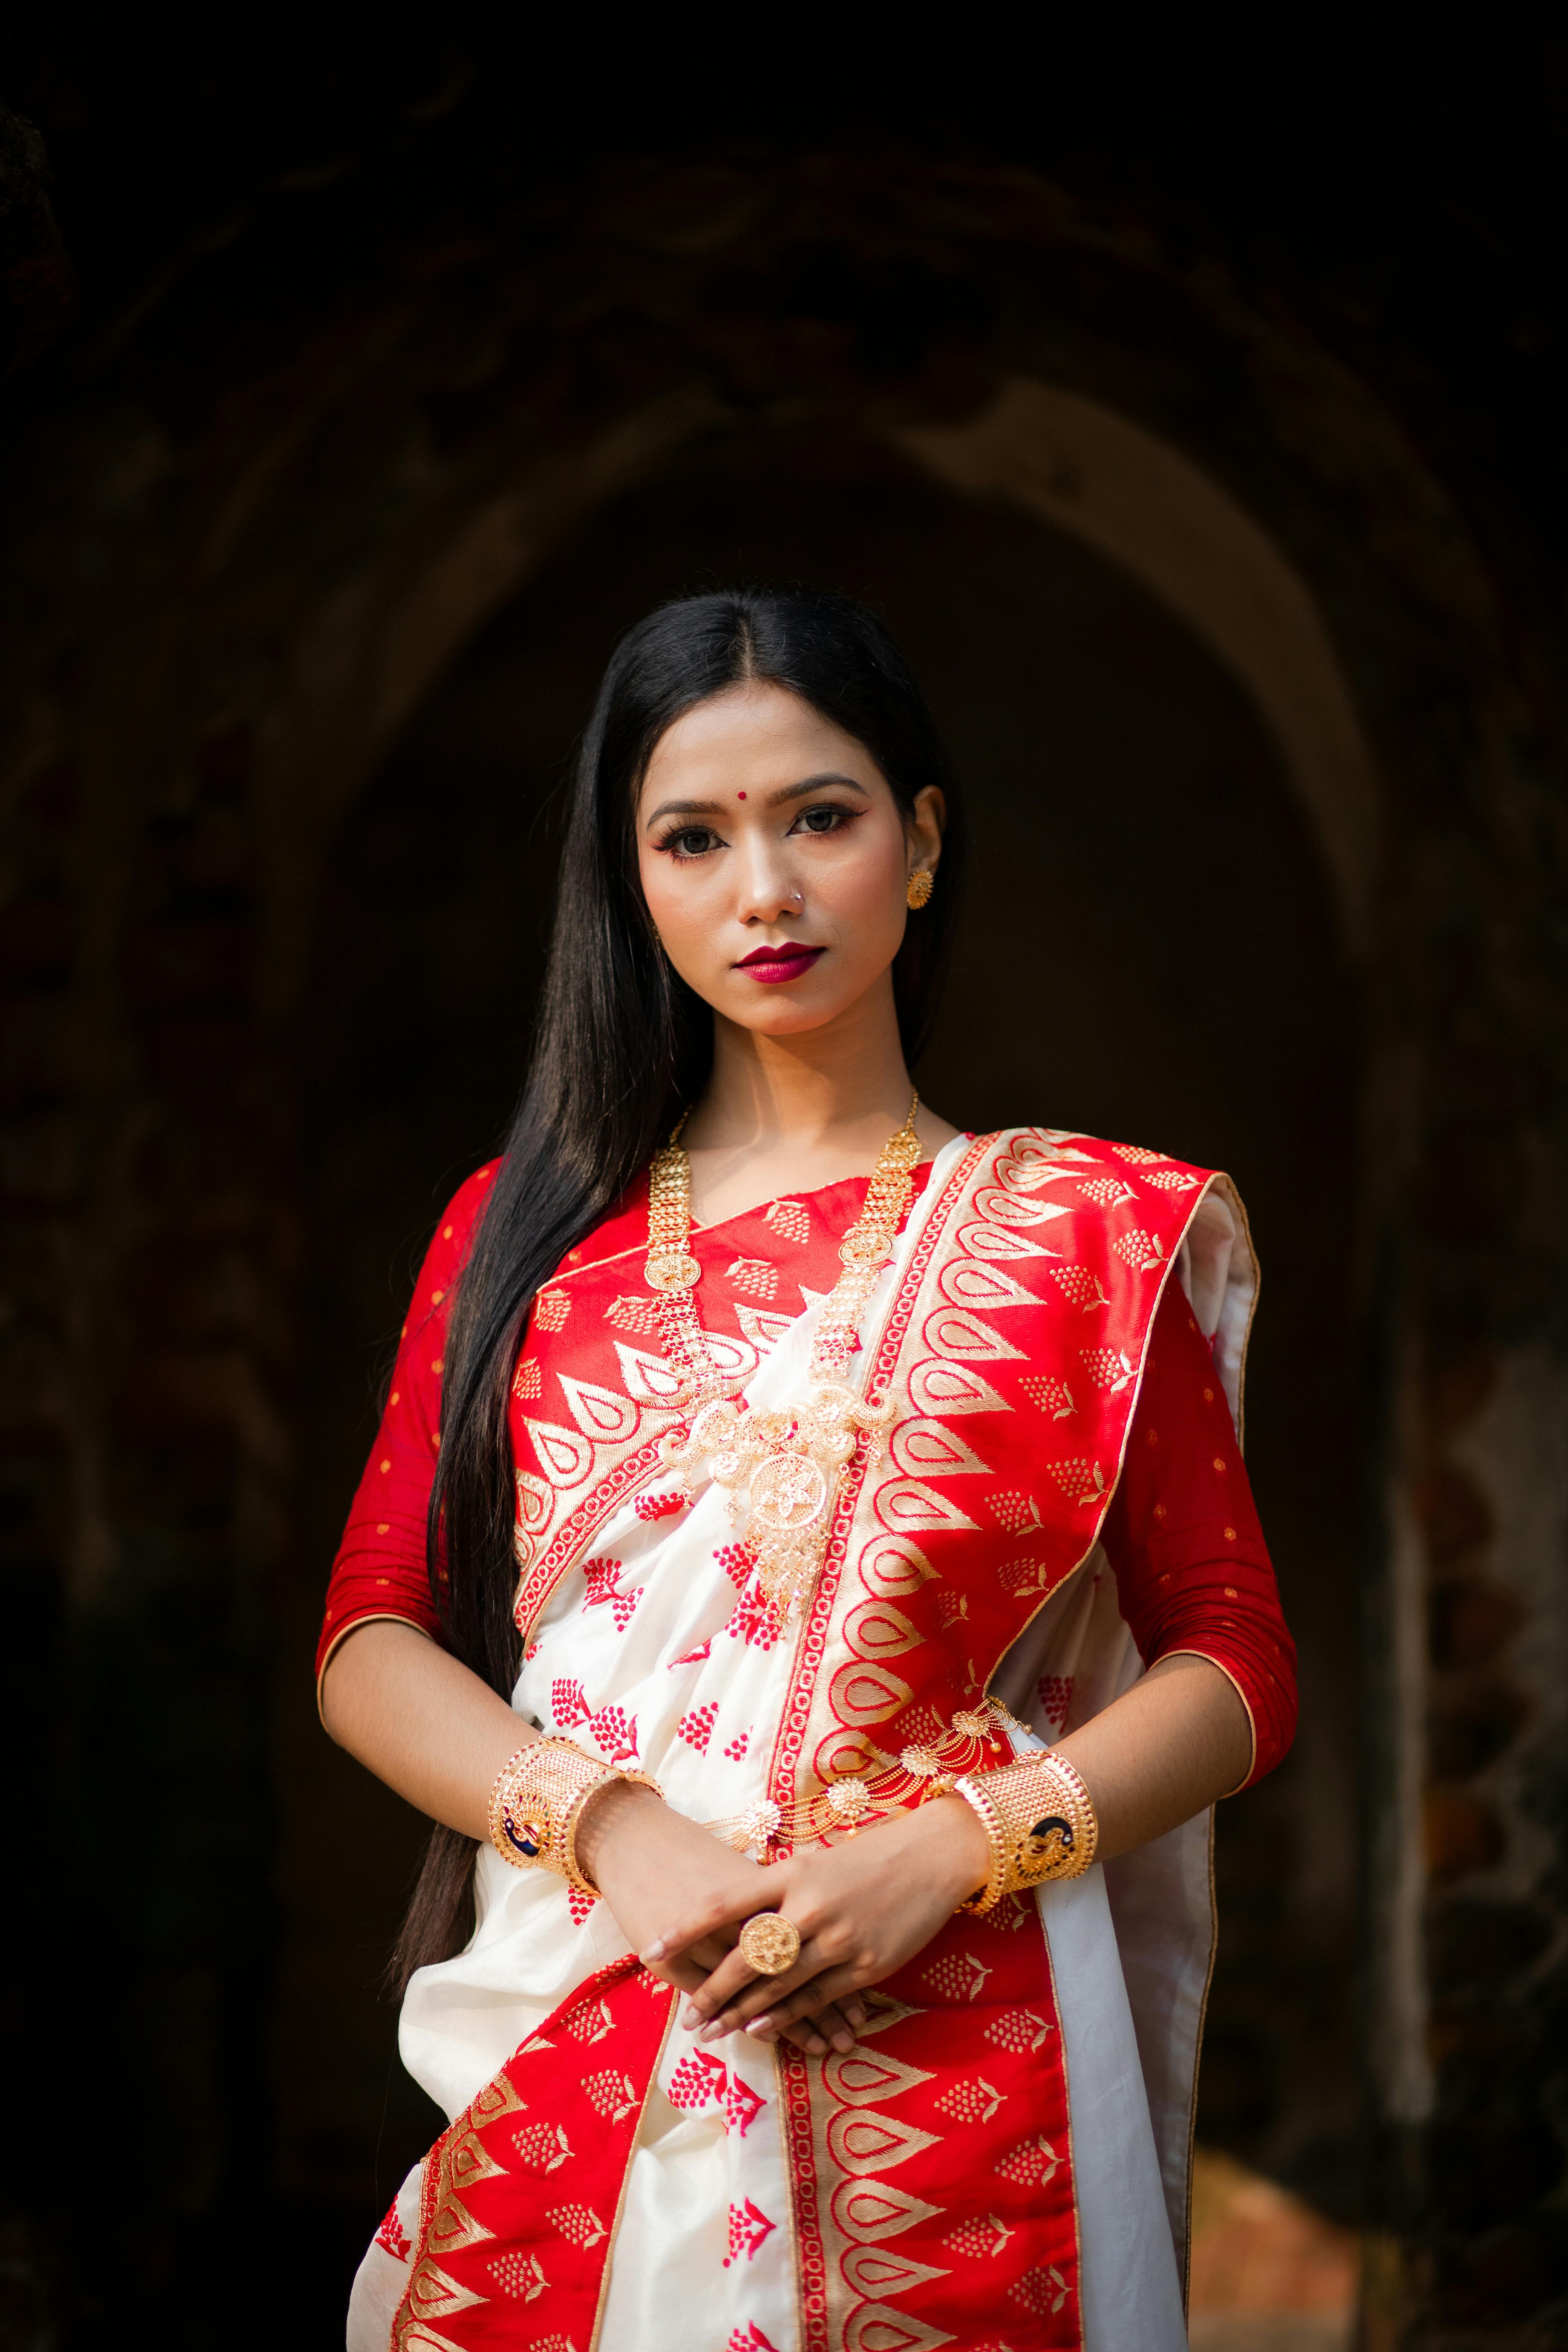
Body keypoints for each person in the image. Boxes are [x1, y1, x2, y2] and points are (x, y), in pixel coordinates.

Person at [318, 587, 1296, 2352]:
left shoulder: (1084, 1232)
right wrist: (615, 1831)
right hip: (590, 2014)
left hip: (970, 2060)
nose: (761, 890)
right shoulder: (517, 1242)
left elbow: (1232, 1658)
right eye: (691, 838)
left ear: (917, 843)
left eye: (819, 818)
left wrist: (959, 1848)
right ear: (634, 884)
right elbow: (371, 1636)